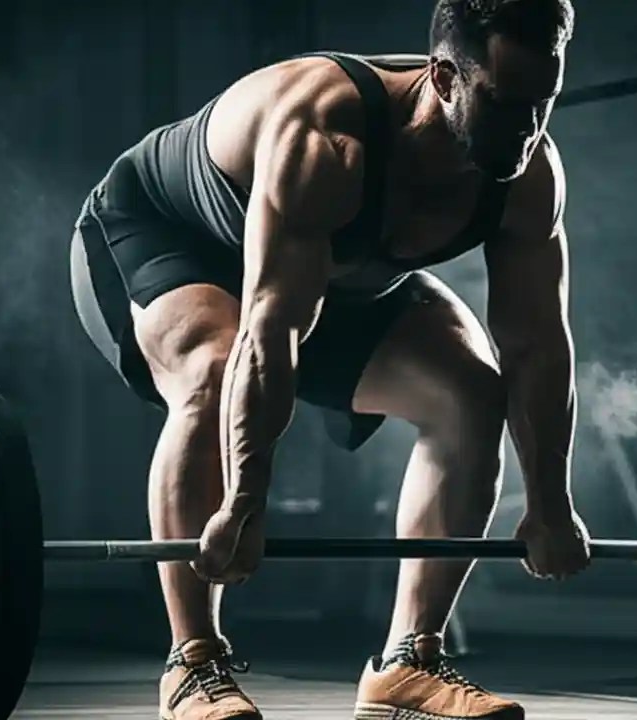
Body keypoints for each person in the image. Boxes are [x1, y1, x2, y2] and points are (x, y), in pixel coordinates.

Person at [69, 1, 589, 717]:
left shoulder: (530, 176)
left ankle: (410, 663)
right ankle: (192, 664)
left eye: (543, 103)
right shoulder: (323, 132)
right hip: (166, 235)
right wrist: (245, 501)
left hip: (337, 275)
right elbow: (271, 328)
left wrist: (551, 504)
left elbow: (536, 344)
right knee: (213, 370)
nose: (527, 130)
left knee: (471, 392)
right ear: (443, 76)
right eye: (505, 104)